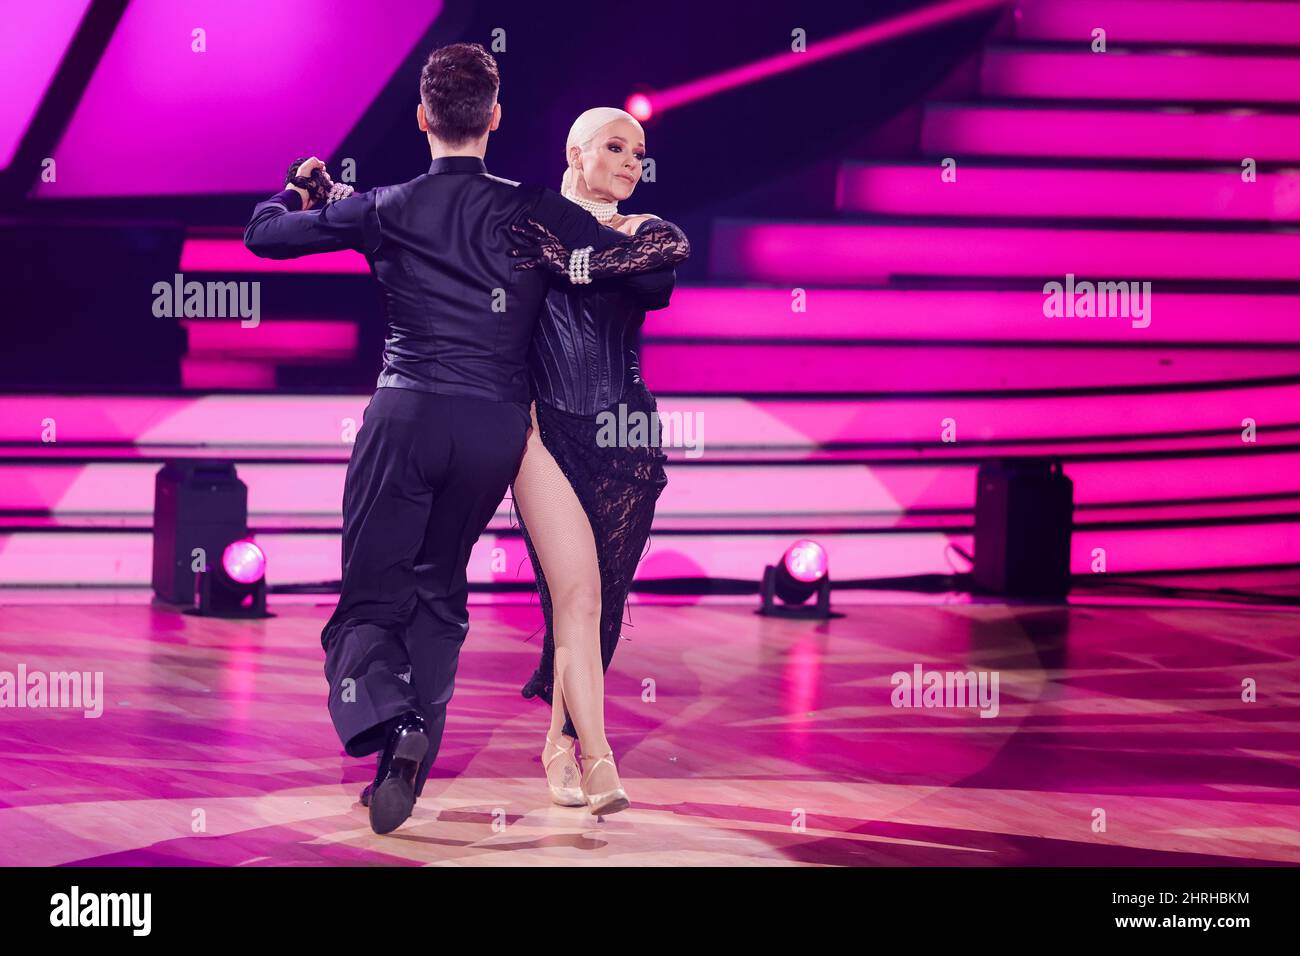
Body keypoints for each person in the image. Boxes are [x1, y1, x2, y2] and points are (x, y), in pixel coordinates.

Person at [243, 44, 683, 834]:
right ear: (496, 119)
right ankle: (413, 769)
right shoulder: (529, 207)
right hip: (497, 433)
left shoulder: (388, 205)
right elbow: (631, 253)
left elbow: (266, 236)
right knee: (441, 598)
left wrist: (300, 188)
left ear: (422, 118)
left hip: (409, 417)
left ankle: (395, 726)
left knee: (369, 604)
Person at [506, 108, 690, 815]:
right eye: (614, 148)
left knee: (599, 602)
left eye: (638, 152)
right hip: (543, 438)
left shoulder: (646, 232)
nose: (630, 161)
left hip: (625, 438)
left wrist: (569, 262)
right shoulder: (527, 222)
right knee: (572, 598)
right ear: (574, 153)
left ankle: (560, 743)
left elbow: (663, 256)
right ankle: (597, 756)